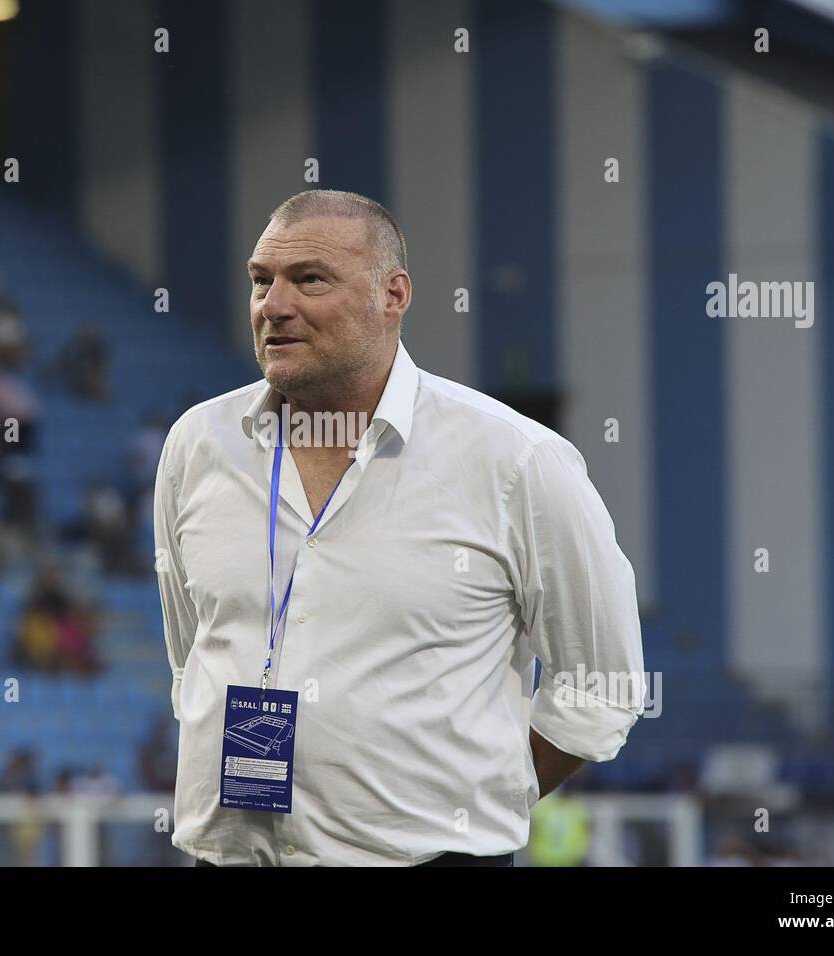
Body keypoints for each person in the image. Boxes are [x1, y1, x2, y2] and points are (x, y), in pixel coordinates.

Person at [154, 189, 645, 867]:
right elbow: (192, 656)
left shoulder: (516, 461)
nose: (274, 306)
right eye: (261, 281)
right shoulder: (198, 443)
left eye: (310, 280)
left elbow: (601, 685)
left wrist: (470, 804)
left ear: (394, 295)